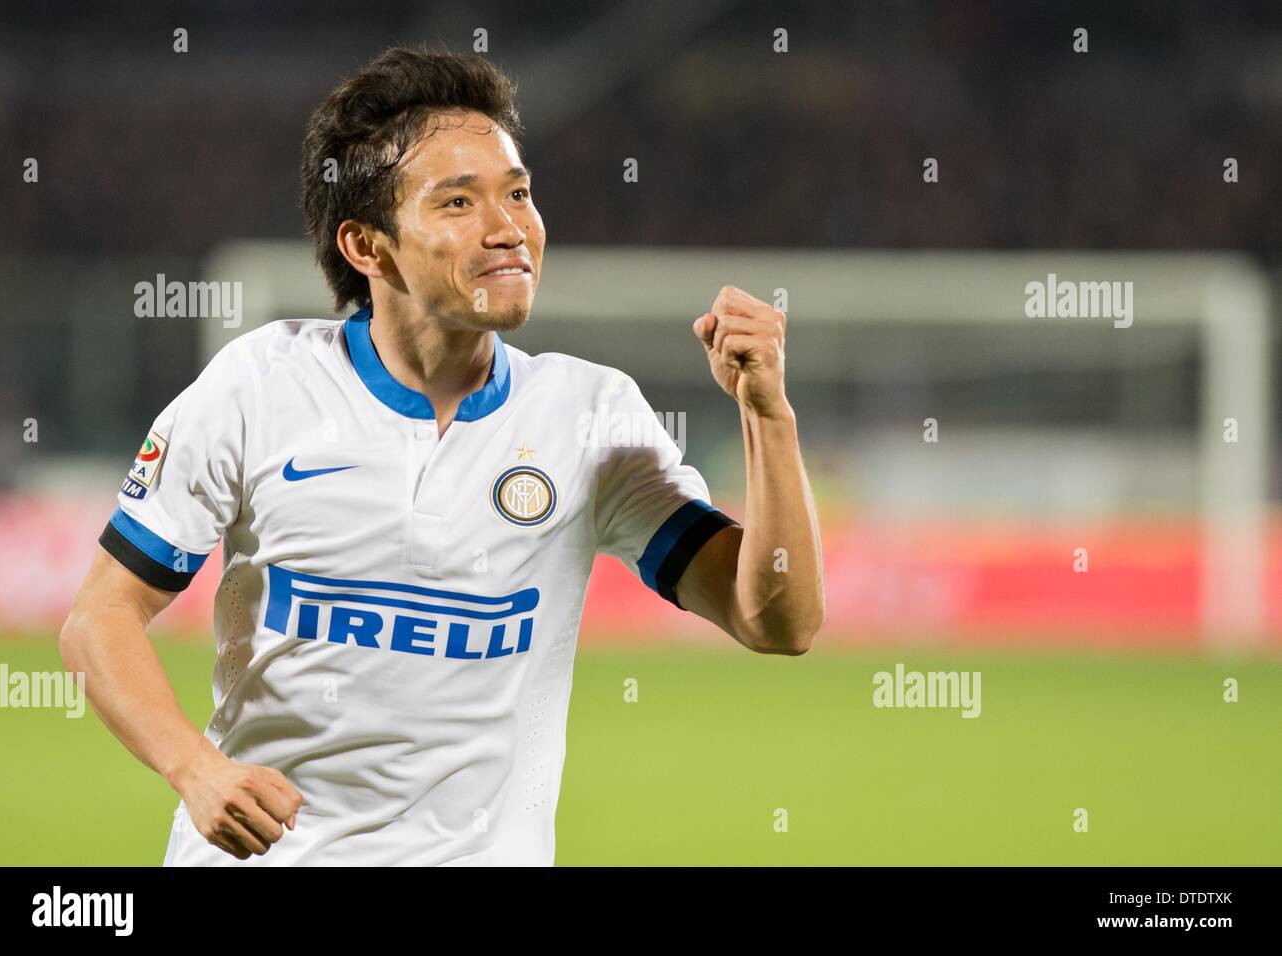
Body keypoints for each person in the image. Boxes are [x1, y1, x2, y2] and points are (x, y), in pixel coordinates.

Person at [59, 46, 824, 866]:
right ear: (366, 245)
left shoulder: (587, 416)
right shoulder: (259, 388)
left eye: (519, 193)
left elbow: (777, 621)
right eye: (458, 202)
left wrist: (768, 417)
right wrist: (196, 771)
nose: (508, 229)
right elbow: (99, 618)